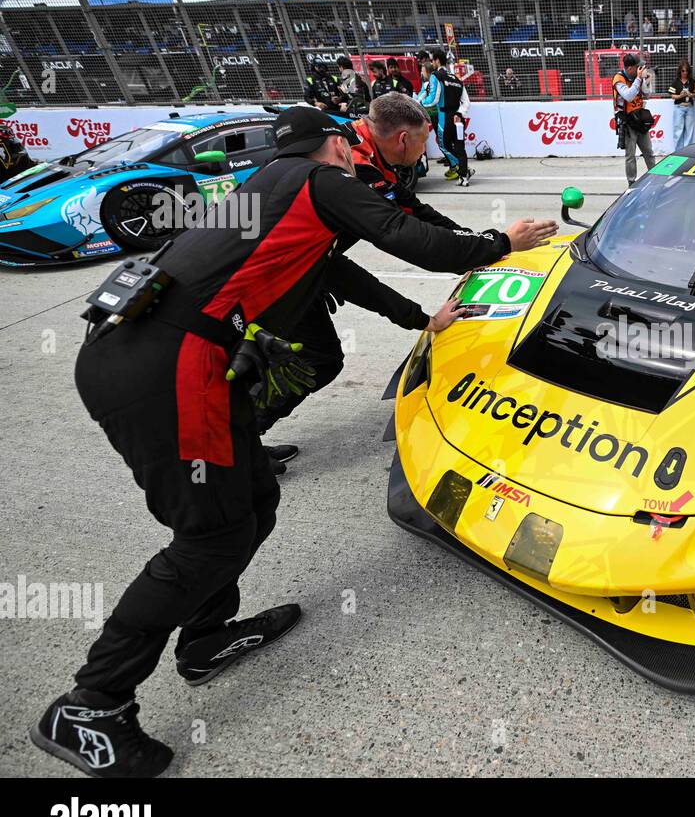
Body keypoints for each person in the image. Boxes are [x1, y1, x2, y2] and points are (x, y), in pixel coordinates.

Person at [30, 106, 556, 777]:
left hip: (142, 353)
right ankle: (91, 704)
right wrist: (497, 242)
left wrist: (422, 318)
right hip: (167, 371)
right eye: (350, 150)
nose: (357, 163)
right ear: (336, 146)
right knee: (211, 536)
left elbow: (337, 276)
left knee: (254, 498)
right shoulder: (318, 179)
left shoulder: (264, 189)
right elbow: (419, 242)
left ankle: (205, 637)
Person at [259, 94, 555, 459]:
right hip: (262, 282)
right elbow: (414, 241)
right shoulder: (350, 168)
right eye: (424, 140)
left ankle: (236, 442)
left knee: (310, 357)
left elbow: (417, 213)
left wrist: (490, 249)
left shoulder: (363, 150)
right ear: (403, 139)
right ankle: (234, 446)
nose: (426, 149)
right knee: (312, 359)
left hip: (303, 267)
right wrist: (499, 242)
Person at [430, 47, 472, 186]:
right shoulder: (457, 79)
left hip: (445, 116)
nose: (432, 63)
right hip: (458, 117)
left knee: (443, 145)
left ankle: (464, 170)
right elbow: (466, 102)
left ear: (437, 60)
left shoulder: (436, 76)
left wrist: (418, 103)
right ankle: (464, 174)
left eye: (432, 61)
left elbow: (433, 99)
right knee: (460, 147)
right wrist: (459, 113)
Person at [612, 51, 656, 186]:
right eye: (637, 67)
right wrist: (638, 79)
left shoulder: (637, 77)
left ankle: (655, 178)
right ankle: (631, 183)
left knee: (649, 152)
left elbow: (647, 95)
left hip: (640, 119)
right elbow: (628, 96)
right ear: (630, 68)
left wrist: (644, 81)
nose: (640, 69)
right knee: (631, 156)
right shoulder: (618, 79)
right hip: (627, 121)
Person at [668, 60, 695, 150]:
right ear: (680, 71)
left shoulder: (692, 81)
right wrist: (680, 95)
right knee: (678, 131)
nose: (685, 73)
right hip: (679, 107)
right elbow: (672, 96)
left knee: (689, 131)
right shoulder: (676, 82)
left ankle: (687, 151)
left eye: (687, 70)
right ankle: (679, 152)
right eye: (683, 71)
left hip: (689, 107)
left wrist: (690, 95)